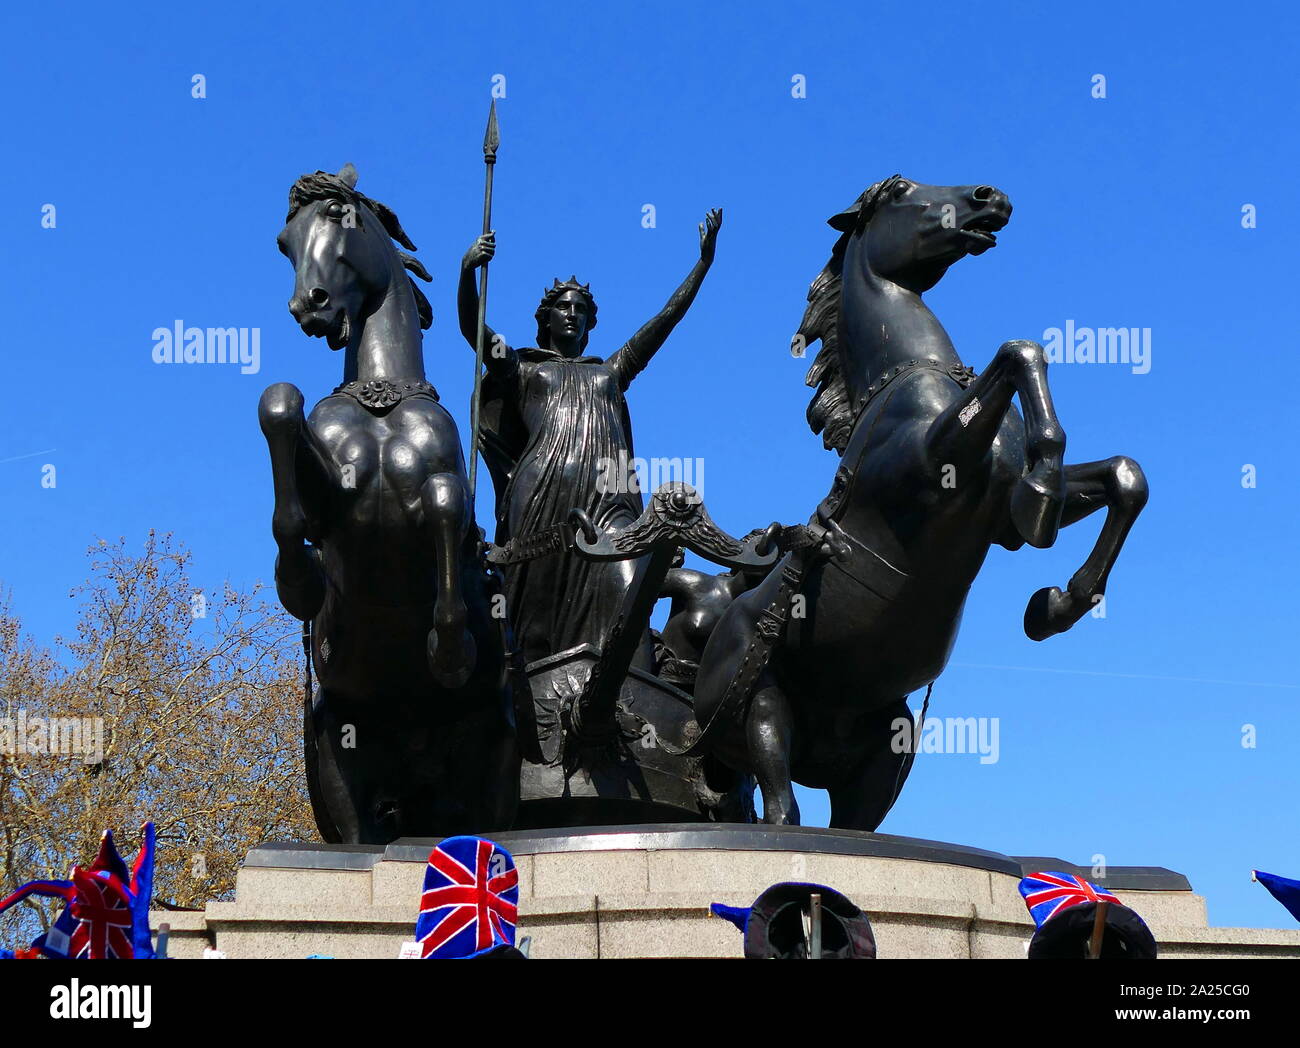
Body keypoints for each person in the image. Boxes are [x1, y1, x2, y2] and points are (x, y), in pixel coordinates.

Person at [458, 210, 721, 667]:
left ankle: (633, 698)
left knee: (628, 596)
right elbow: (472, 331)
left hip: (608, 498)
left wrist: (702, 265)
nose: (573, 314)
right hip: (540, 496)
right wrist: (467, 271)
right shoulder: (523, 369)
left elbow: (663, 321)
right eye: (564, 306)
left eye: (581, 309)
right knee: (531, 616)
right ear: (545, 316)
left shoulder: (611, 371)